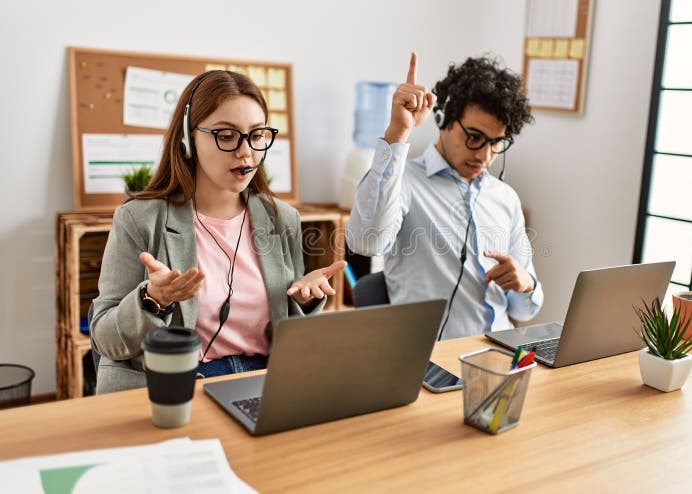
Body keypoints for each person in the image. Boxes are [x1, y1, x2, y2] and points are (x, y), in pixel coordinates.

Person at [92, 70, 344, 394]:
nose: (246, 152)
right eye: (227, 135)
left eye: (256, 135)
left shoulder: (283, 219)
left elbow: (290, 339)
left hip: (267, 383)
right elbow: (105, 338)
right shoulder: (138, 220)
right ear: (187, 138)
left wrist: (303, 302)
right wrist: (153, 300)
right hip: (181, 387)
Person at [346, 53, 542, 339]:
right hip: (433, 363)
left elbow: (525, 312)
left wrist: (526, 284)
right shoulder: (404, 181)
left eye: (496, 143)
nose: (484, 155)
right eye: (473, 137)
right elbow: (365, 241)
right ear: (443, 119)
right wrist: (397, 133)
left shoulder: (505, 198)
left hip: (502, 358)